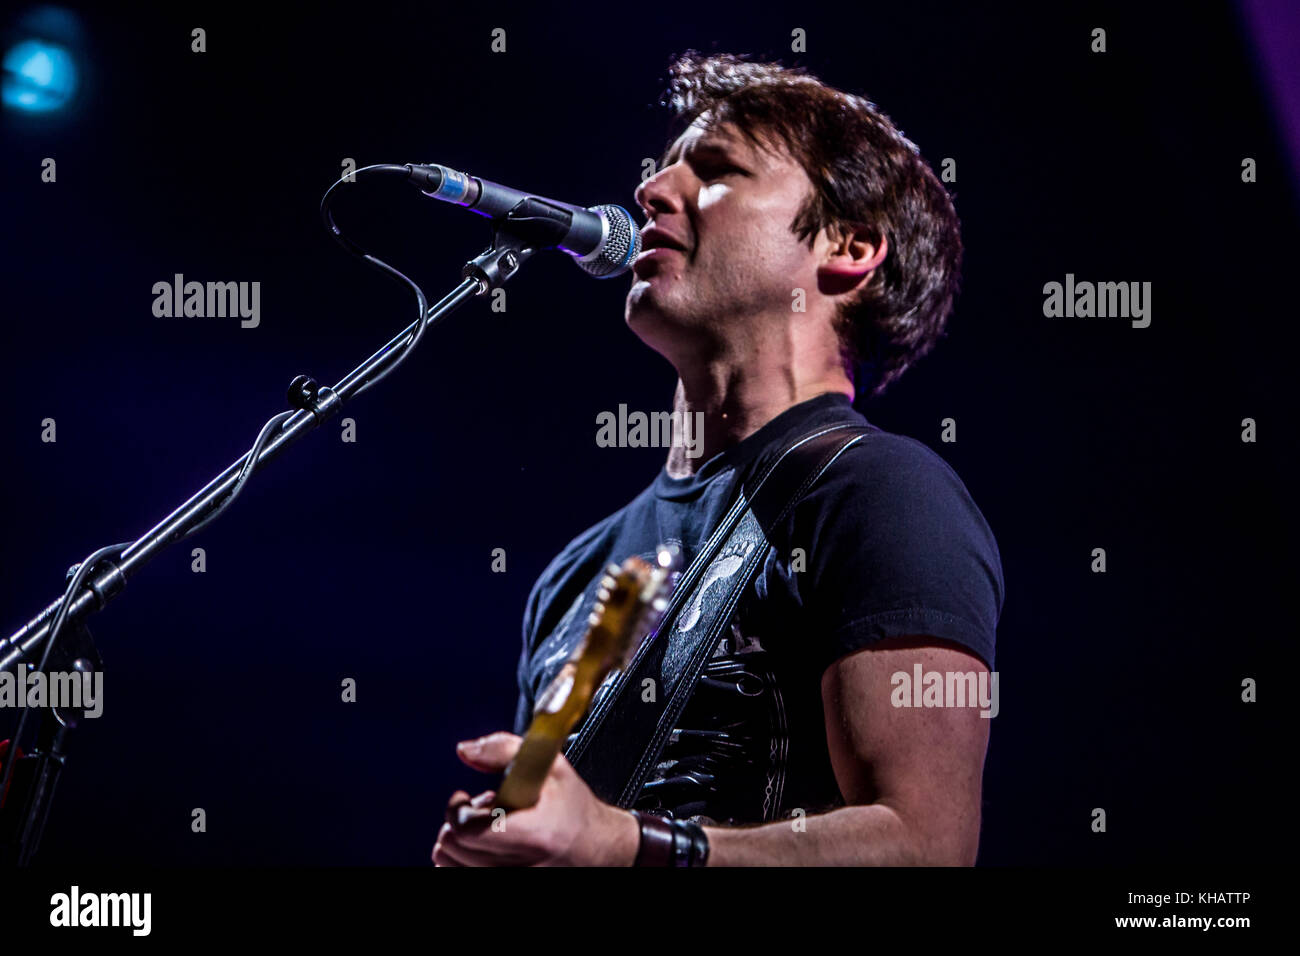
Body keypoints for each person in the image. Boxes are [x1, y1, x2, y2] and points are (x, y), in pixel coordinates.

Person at [433, 50, 1004, 866]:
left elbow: (926, 845)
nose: (651, 191)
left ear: (850, 246)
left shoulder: (882, 495)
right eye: (663, 167)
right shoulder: (574, 575)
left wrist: (628, 845)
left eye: (717, 169)